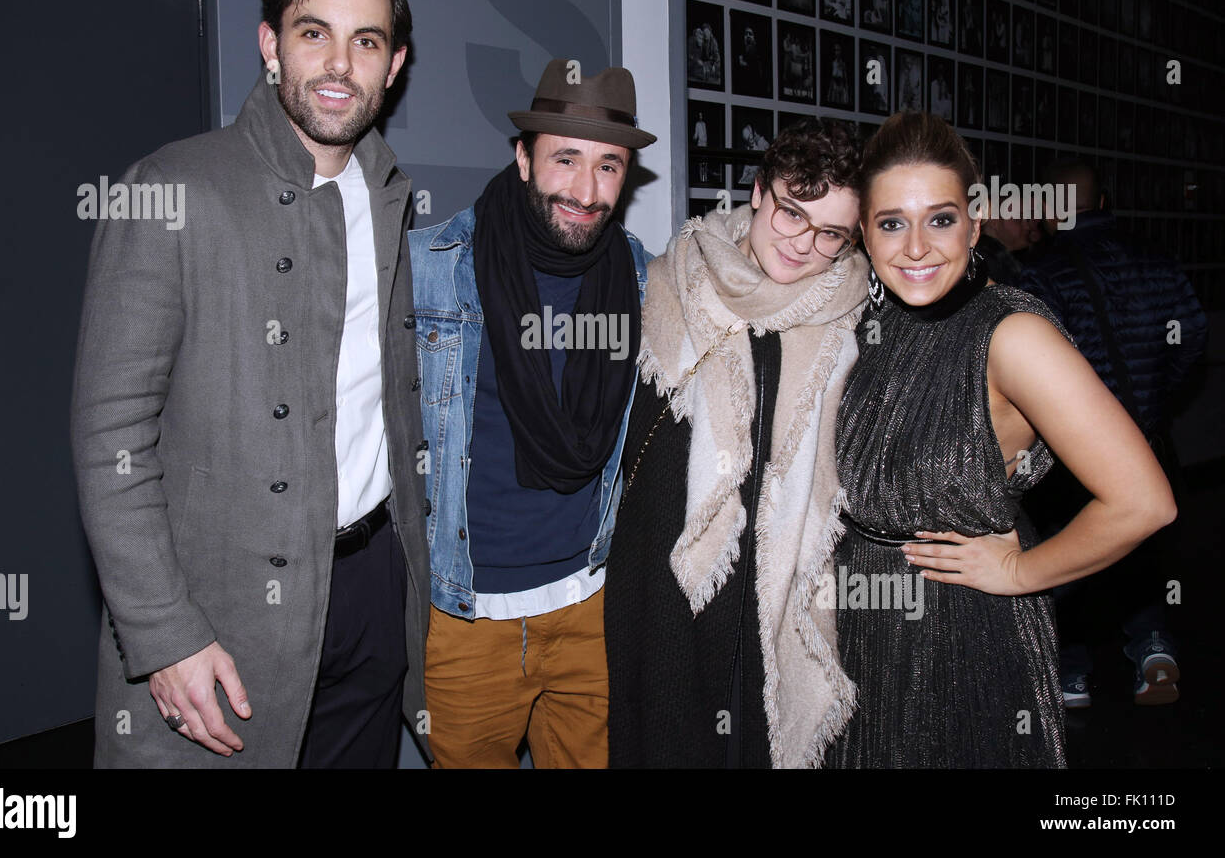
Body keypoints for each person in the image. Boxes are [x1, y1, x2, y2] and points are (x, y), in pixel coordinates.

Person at [71, 0, 427, 768]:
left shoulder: (392, 205)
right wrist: (162, 635)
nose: (340, 63)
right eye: (314, 32)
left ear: (394, 64)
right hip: (222, 614)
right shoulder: (172, 188)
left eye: (365, 41)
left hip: (373, 593)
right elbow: (108, 434)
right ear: (271, 45)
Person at [824, 112, 1176, 768]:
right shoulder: (866, 325)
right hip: (859, 633)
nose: (917, 247)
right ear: (863, 236)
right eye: (892, 222)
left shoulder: (1012, 336)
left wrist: (1019, 570)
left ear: (975, 225)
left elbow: (1143, 501)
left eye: (941, 218)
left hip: (964, 642)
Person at [409, 59, 656, 768]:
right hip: (468, 617)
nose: (585, 191)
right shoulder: (432, 266)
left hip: (592, 606)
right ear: (522, 157)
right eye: (566, 160)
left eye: (608, 167)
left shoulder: (640, 277)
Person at [606, 119, 869, 768]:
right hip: (672, 566)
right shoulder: (673, 276)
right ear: (759, 192)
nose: (803, 243)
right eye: (790, 212)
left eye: (830, 232)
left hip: (781, 578)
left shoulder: (858, 316)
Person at [1019, 160, 1207, 707]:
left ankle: (1071, 674)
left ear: (1053, 214)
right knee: (1140, 548)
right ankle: (1153, 650)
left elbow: (1035, 370)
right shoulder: (1157, 259)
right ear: (1104, 205)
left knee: (1073, 549)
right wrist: (1153, 401)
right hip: (1146, 436)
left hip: (1070, 451)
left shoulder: (1043, 273)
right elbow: (1192, 335)